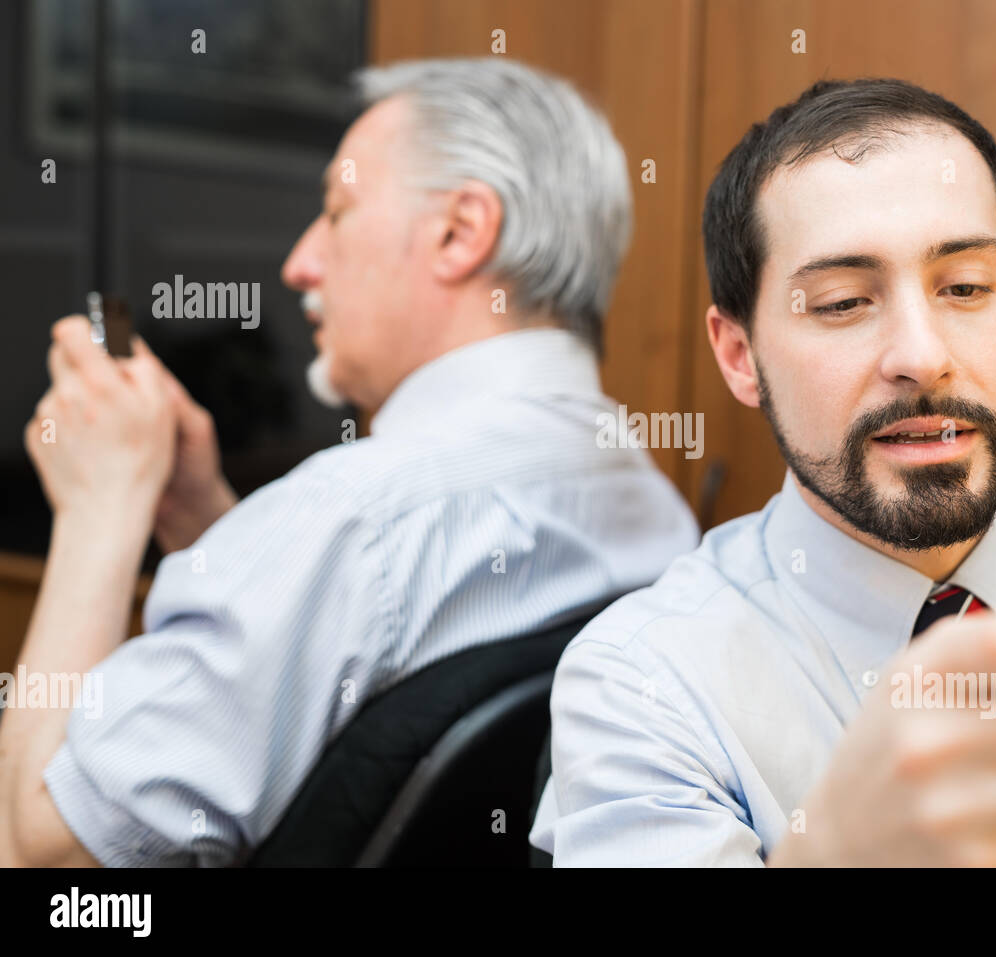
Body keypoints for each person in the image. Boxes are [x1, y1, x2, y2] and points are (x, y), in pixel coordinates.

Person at [530, 78, 996, 867]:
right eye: (841, 303)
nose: (923, 356)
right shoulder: (644, 687)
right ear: (740, 355)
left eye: (965, 288)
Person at [0, 57, 698, 867]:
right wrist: (205, 515)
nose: (300, 262)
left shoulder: (351, 520)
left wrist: (100, 507)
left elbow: (40, 853)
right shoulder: (647, 494)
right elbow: (361, 652)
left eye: (336, 211)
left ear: (460, 232)